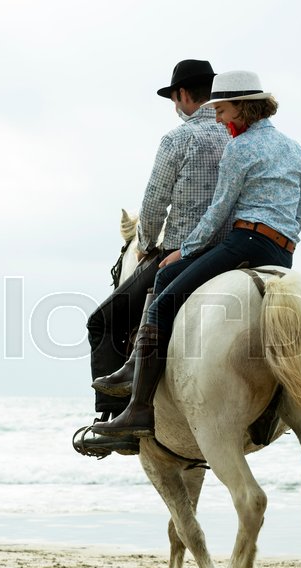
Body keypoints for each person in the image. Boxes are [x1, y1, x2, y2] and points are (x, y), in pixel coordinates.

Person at [91, 70, 301, 439]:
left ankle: (138, 408)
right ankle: (275, 408)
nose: (220, 119)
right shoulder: (297, 149)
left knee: (162, 291)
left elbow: (220, 209)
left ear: (242, 108)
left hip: (244, 241)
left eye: (223, 110)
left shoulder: (237, 148)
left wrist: (184, 252)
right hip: (283, 252)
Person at [79, 59, 231, 456]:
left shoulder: (177, 140)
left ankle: (116, 421)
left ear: (182, 95)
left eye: (174, 98)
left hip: (181, 250)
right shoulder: (237, 134)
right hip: (239, 249)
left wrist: (145, 242)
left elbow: (153, 205)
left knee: (102, 322)